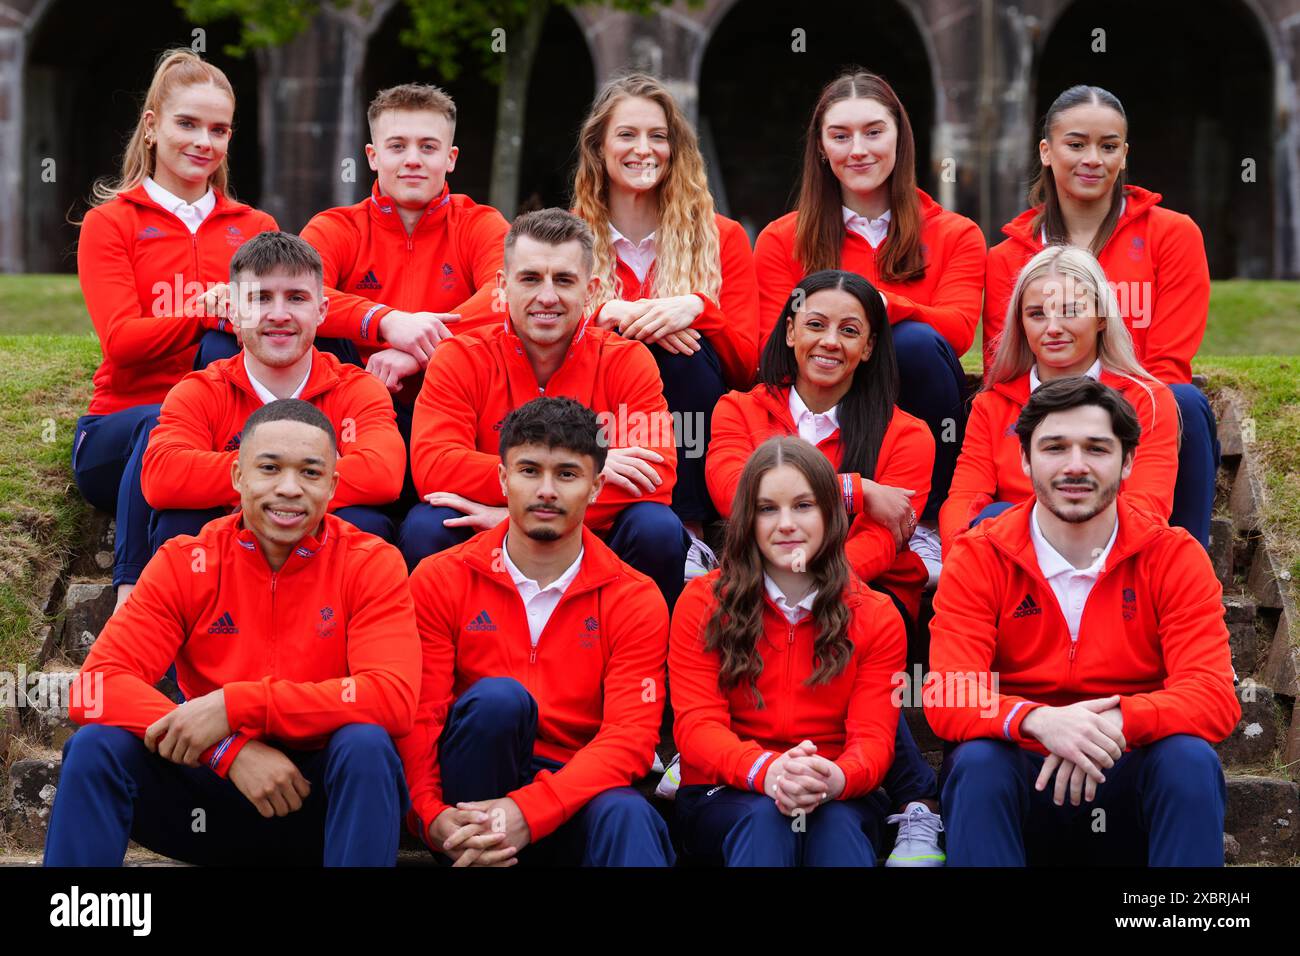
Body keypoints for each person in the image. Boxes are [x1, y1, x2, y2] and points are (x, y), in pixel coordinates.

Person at [45, 400, 421, 866]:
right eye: (269, 468)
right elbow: (97, 687)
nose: (289, 489)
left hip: (322, 810)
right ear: (238, 477)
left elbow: (391, 697)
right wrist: (227, 750)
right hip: (207, 803)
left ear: (332, 486)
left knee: (366, 745)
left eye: (310, 473)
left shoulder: (371, 561)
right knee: (95, 747)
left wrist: (237, 705)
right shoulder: (186, 560)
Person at [926, 377, 1239, 866]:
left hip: (1129, 777)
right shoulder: (979, 554)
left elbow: (1213, 696)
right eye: (1054, 447)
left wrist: (1118, 723)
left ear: (1128, 461)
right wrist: (1041, 720)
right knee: (978, 763)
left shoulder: (1175, 555)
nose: (1075, 466)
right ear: (1026, 460)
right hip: (1026, 780)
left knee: (1189, 760)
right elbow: (950, 693)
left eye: (1096, 448)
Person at [705, 270, 946, 866]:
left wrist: (809, 582)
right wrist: (855, 488)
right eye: (814, 324)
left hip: (866, 595)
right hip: (757, 585)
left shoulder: (909, 433)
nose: (829, 341)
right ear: (790, 331)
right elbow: (736, 494)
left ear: (869, 347)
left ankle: (913, 797)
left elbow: (884, 544)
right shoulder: (740, 409)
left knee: (864, 613)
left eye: (849, 330)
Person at [397, 396, 674, 867]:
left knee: (629, 814)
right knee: (499, 702)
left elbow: (629, 738)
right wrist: (428, 813)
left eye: (567, 474)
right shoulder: (439, 577)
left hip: (575, 788)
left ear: (595, 487)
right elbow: (420, 717)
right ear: (504, 479)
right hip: (475, 794)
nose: (546, 490)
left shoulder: (636, 597)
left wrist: (530, 809)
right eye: (529, 471)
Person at [72, 49, 277, 611]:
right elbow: (122, 342)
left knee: (220, 350)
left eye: (219, 129)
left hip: (220, 440)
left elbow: (282, 328)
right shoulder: (111, 222)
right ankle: (131, 594)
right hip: (117, 434)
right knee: (164, 417)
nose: (203, 142)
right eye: (187, 123)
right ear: (152, 126)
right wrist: (204, 309)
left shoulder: (256, 228)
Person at [403, 208, 689, 609]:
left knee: (656, 528)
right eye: (531, 278)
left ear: (591, 290)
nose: (547, 296)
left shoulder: (627, 359)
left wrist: (512, 513)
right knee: (426, 525)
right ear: (503, 286)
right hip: (489, 542)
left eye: (564, 280)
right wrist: (583, 473)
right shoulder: (460, 356)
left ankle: (648, 664)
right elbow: (434, 466)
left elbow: (656, 474)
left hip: (592, 541)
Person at [753, 69, 985, 558]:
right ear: (821, 147)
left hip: (911, 400)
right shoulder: (781, 238)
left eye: (874, 132)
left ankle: (923, 521)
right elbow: (771, 346)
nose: (858, 149)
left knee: (918, 343)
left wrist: (881, 307)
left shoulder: (955, 234)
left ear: (900, 136)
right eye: (840, 136)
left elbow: (960, 332)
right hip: (818, 405)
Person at [983, 84, 1217, 547]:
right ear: (1047, 152)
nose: (1093, 158)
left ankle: (1184, 556)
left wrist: (1109, 419)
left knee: (1183, 399)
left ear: (1124, 154)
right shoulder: (1007, 257)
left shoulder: (1172, 234)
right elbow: (1010, 368)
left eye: (1108, 146)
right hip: (1048, 416)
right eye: (1076, 144)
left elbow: (1169, 366)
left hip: (1143, 412)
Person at [671, 436, 907, 866]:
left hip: (835, 788)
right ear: (747, 519)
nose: (786, 524)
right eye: (767, 508)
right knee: (765, 819)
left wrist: (835, 777)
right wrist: (766, 771)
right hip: (726, 791)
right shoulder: (703, 602)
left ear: (831, 515)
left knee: (836, 829)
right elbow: (697, 727)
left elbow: (873, 740)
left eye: (803, 505)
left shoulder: (876, 615)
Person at [571, 73, 761, 568]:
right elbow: (527, 329)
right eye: (627, 135)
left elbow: (747, 366)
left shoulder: (722, 237)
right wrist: (600, 314)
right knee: (647, 343)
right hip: (595, 409)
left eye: (658, 136)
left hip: (693, 412)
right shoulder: (566, 239)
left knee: (681, 348)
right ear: (599, 147)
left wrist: (699, 307)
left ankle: (691, 531)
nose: (644, 149)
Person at [294, 83, 510, 506]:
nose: (413, 159)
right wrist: (386, 321)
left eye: (428, 147)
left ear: (450, 159)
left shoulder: (481, 224)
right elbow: (297, 294)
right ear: (373, 157)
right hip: (353, 410)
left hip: (451, 413)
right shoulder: (336, 227)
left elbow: (507, 296)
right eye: (398, 146)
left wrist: (417, 350)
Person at [138, 231, 405, 552]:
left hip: (324, 589)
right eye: (260, 298)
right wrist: (308, 469)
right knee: (178, 521)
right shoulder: (200, 390)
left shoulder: (358, 388)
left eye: (296, 298)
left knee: (365, 521)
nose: (279, 314)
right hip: (227, 576)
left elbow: (382, 474)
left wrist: (247, 480)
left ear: (321, 311)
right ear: (233, 312)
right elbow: (163, 476)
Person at [940, 245, 1179, 553]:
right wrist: (964, 556)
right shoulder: (992, 405)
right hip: (1009, 564)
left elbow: (1147, 507)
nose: (1053, 329)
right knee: (992, 518)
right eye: (1037, 314)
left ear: (1102, 318)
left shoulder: (1148, 400)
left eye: (1069, 311)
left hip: (1110, 562)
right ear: (1021, 324)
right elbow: (964, 499)